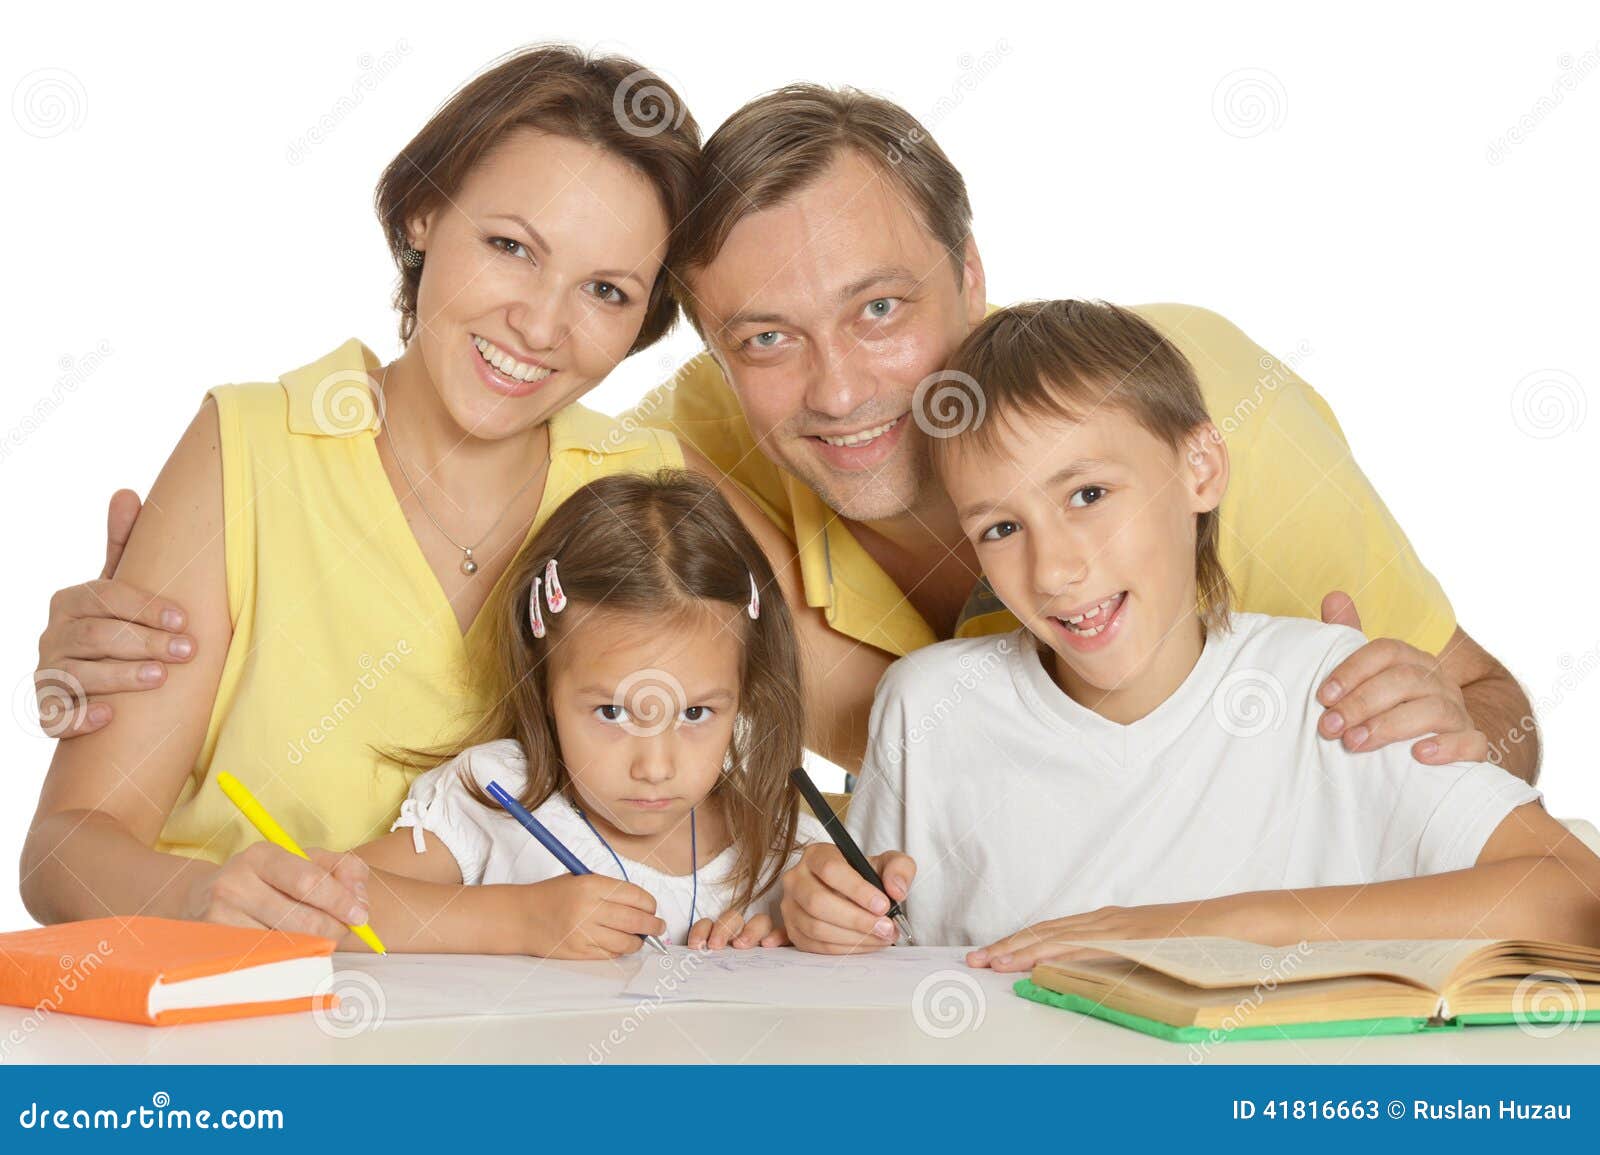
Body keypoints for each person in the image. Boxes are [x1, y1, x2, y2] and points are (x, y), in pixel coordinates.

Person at [18, 45, 824, 941]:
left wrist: (792, 907)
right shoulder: (245, 448)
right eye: (510, 246)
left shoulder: (645, 486)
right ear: (422, 214)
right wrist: (199, 897)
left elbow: (844, 703)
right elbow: (64, 853)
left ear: (644, 321)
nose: (541, 323)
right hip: (247, 1029)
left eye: (605, 289)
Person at [781, 300, 1600, 962]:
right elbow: (874, 946)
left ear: (1200, 469)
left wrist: (1197, 929)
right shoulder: (931, 706)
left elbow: (1573, 894)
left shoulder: (1332, 689)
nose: (1055, 568)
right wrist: (825, 913)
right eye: (999, 527)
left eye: (1089, 495)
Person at [350, 471, 823, 956]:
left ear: (746, 692)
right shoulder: (495, 798)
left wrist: (795, 941)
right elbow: (308, 908)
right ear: (544, 684)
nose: (655, 767)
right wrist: (519, 921)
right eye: (613, 712)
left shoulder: (784, 846)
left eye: (697, 712)